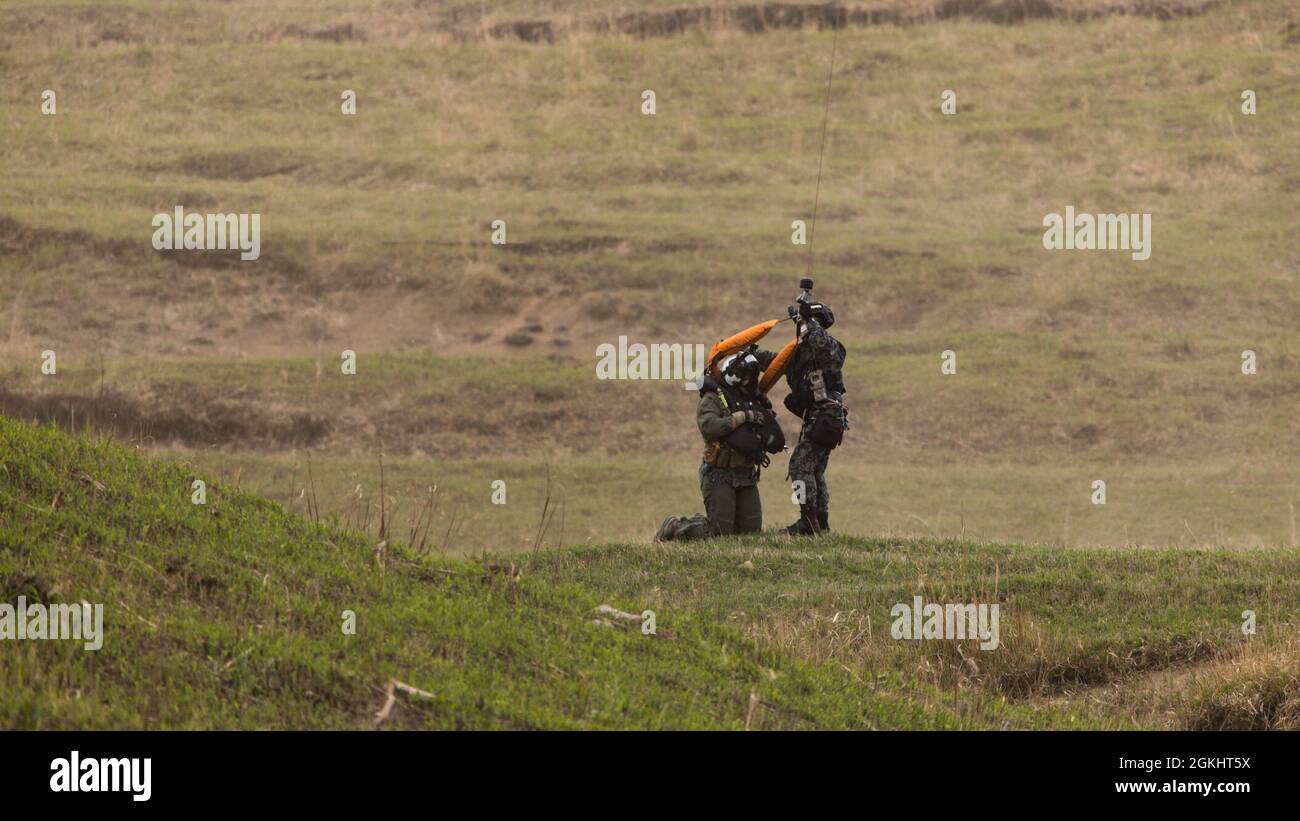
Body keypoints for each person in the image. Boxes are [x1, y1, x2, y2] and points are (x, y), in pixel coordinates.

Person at [655, 347, 783, 541]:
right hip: (719, 473)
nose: (749, 381)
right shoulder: (713, 399)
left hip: (746, 473)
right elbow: (709, 426)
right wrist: (742, 418)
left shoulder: (751, 400)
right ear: (734, 376)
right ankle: (676, 527)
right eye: (746, 377)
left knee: (751, 534)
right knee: (720, 533)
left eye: (751, 377)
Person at [782, 299, 847, 535]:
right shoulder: (805, 353)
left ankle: (808, 522)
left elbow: (823, 347)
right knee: (815, 469)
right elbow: (782, 362)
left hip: (826, 416)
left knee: (799, 466)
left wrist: (809, 321)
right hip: (821, 417)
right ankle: (820, 523)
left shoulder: (831, 347)